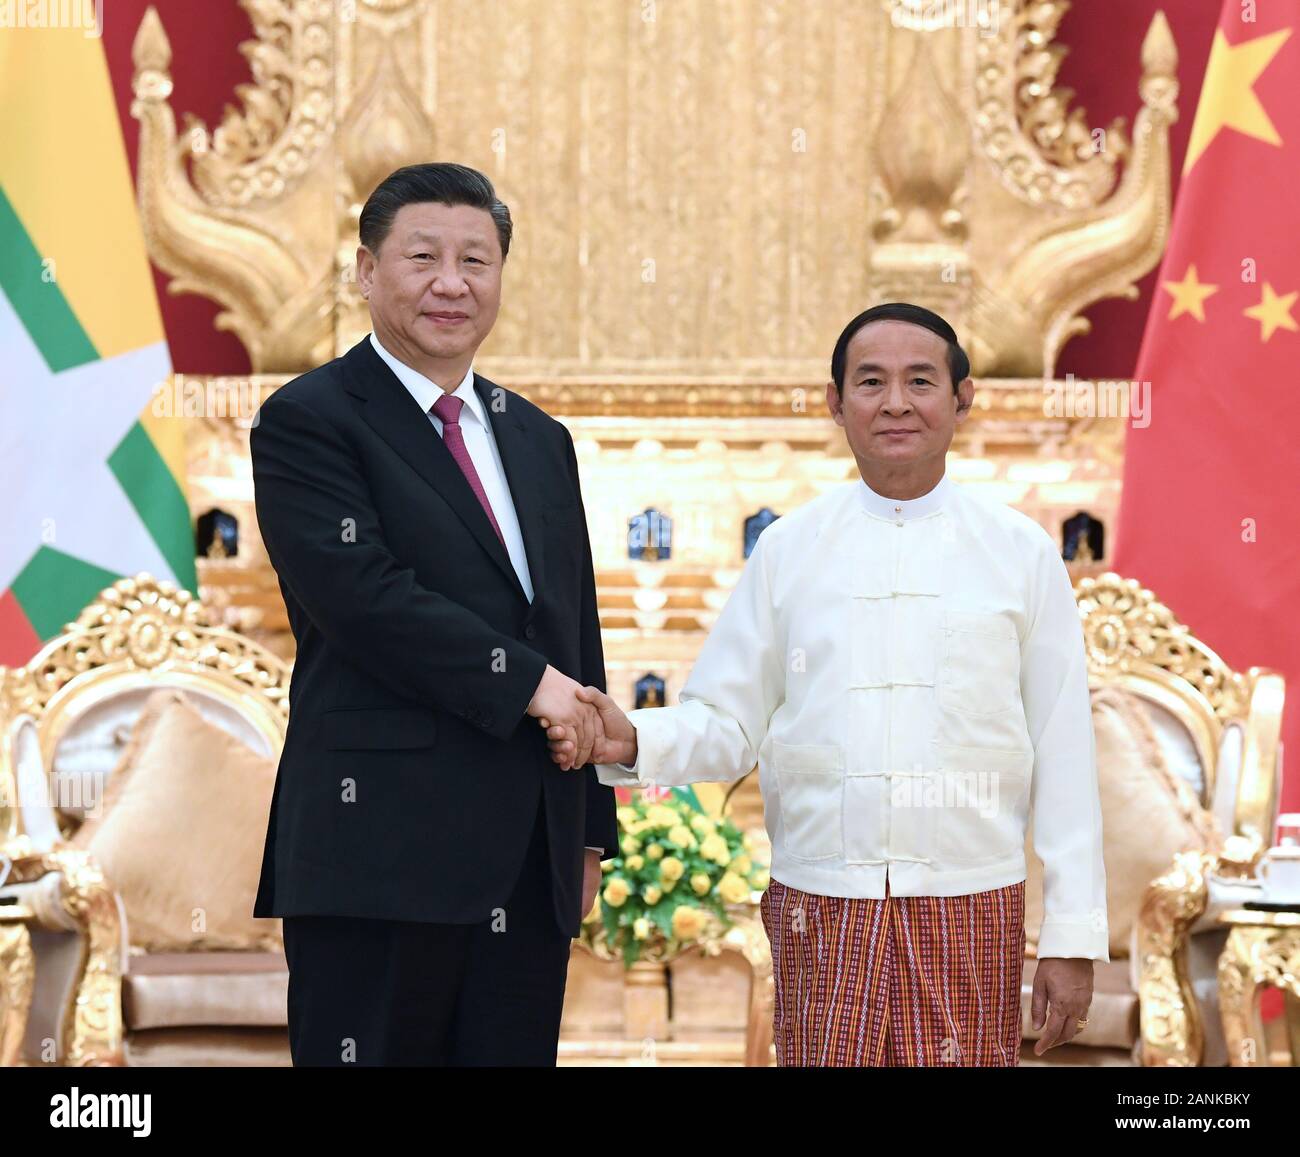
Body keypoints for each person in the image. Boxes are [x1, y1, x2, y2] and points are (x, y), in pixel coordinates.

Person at [547, 302, 1106, 1066]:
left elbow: (1064, 751)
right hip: (822, 906)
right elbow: (728, 721)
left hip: (969, 903)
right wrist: (632, 737)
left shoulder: (1022, 552)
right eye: (871, 382)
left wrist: (1073, 937)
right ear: (835, 403)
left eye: (921, 381)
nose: (896, 402)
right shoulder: (789, 549)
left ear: (963, 398)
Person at [250, 162, 617, 1066]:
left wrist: (588, 830)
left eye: (475, 260)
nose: (451, 283)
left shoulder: (537, 436)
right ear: (366, 271)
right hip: (378, 853)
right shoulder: (309, 419)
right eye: (423, 257)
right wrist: (532, 685)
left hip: (528, 859)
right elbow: (363, 598)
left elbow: (573, 626)